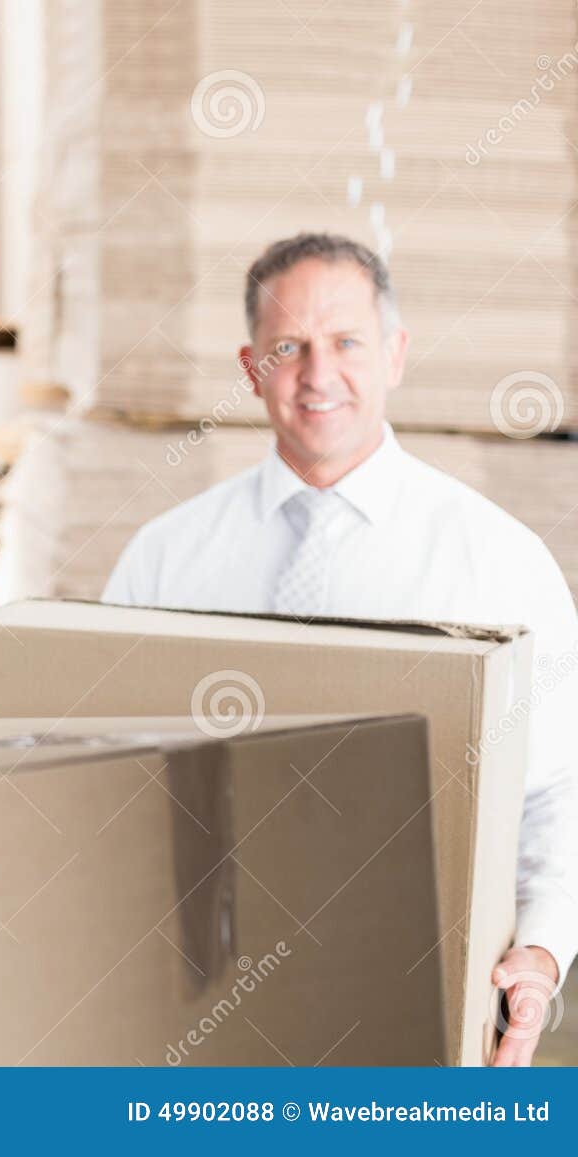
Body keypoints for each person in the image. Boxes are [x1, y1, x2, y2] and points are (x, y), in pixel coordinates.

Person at [103, 232, 576, 1066]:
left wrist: (538, 953)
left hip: (413, 990)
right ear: (251, 367)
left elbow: (557, 791)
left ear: (394, 354)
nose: (318, 375)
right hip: (193, 1004)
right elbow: (100, 776)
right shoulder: (167, 557)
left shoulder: (496, 561)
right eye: (289, 348)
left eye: (346, 342)